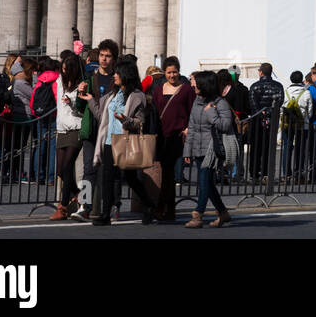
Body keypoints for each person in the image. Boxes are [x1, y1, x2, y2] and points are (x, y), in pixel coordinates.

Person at [87, 60, 157, 225]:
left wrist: (125, 119)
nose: (115, 75)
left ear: (126, 75)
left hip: (125, 141)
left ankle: (148, 205)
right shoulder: (112, 94)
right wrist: (90, 100)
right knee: (107, 177)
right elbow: (101, 116)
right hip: (109, 141)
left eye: (118, 73)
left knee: (130, 178)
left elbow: (139, 123)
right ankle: (105, 214)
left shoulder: (137, 96)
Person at [184, 70, 233, 228]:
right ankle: (223, 212)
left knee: (204, 181)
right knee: (207, 184)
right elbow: (191, 127)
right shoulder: (197, 101)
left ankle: (198, 215)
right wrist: (188, 150)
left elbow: (225, 125)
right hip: (197, 147)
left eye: (197, 83)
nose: (194, 86)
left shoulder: (220, 103)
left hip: (212, 149)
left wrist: (211, 113)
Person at [150, 56, 195, 221]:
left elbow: (192, 111)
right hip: (162, 136)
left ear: (179, 71)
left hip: (177, 136)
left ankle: (162, 208)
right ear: (164, 72)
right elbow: (154, 110)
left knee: (168, 173)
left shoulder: (186, 89)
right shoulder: (158, 89)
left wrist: (188, 128)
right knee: (167, 174)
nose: (172, 75)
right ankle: (169, 211)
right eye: (169, 72)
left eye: (175, 72)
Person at [78, 38, 117, 220]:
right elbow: (80, 106)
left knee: (111, 171)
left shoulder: (117, 80)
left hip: (110, 131)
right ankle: (85, 206)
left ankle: (114, 205)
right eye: (102, 55)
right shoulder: (90, 77)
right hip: (91, 129)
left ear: (114, 59)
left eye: (108, 56)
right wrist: (80, 93)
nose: (104, 59)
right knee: (88, 170)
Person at [50, 53, 87, 220]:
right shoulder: (60, 82)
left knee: (68, 168)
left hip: (76, 128)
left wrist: (72, 102)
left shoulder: (82, 85)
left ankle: (63, 207)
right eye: (62, 68)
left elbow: (82, 110)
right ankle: (80, 195)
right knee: (60, 170)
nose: (63, 71)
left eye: (66, 69)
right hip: (61, 128)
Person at [248, 63, 284, 181]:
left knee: (256, 147)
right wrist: (270, 113)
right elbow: (280, 101)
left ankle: (254, 173)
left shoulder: (254, 86)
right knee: (269, 147)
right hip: (272, 120)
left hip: (257, 121)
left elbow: (253, 104)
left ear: (261, 72)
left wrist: (261, 114)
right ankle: (266, 173)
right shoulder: (278, 86)